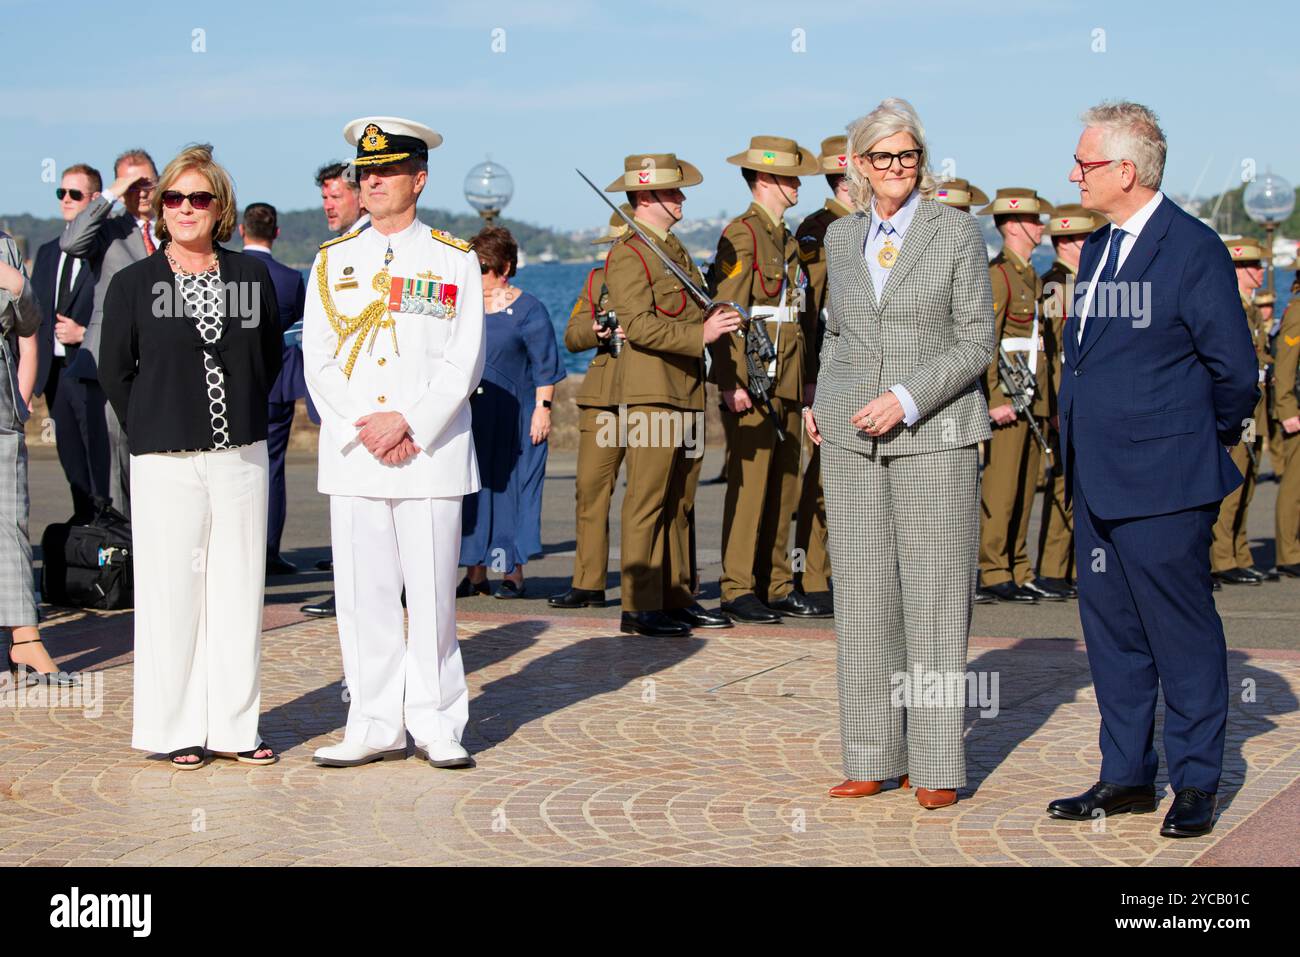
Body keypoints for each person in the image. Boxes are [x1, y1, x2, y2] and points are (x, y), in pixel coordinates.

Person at [1048, 101, 1258, 839]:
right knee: (1114, 636)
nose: (1073, 173)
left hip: (1166, 482)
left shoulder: (1191, 248)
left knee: (1182, 635)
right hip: (1098, 478)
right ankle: (1128, 775)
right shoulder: (1100, 248)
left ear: (1126, 170)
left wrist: (1194, 441)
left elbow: (1234, 370)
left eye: (1085, 162)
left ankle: (1196, 779)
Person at [806, 97, 993, 810]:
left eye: (908, 157)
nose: (896, 169)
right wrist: (821, 407)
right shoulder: (840, 238)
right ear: (859, 164)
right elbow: (837, 336)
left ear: (922, 162)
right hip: (850, 440)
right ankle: (870, 753)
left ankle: (937, 762)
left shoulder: (956, 232)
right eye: (882, 157)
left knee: (936, 597)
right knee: (860, 595)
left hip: (935, 434)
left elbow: (975, 340)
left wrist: (907, 398)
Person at [303, 116, 484, 769]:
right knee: (362, 597)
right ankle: (374, 720)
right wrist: (369, 424)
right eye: (365, 173)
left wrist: (408, 421)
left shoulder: (452, 257)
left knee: (432, 596)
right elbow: (317, 361)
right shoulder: (332, 260)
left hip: (428, 455)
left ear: (419, 178)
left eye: (385, 171)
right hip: (357, 456)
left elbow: (464, 360)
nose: (372, 181)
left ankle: (436, 719)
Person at [99, 144, 283, 769]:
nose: (184, 208)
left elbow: (269, 359)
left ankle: (235, 726)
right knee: (170, 596)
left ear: (219, 207)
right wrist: (156, 422)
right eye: (172, 197)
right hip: (165, 459)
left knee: (238, 590)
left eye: (198, 198)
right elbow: (115, 370)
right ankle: (173, 726)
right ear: (158, 207)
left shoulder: (251, 279)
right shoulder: (133, 284)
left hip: (240, 456)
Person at [602, 153, 739, 637]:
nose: (681, 199)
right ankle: (640, 605)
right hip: (653, 391)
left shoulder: (670, 249)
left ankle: (675, 595)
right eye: (672, 192)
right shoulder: (630, 253)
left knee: (679, 499)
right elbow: (637, 326)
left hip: (684, 387)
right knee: (648, 498)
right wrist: (700, 335)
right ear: (645, 197)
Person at [709, 135, 828, 624]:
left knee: (783, 484)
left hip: (786, 379)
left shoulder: (784, 238)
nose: (798, 184)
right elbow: (727, 311)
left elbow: (796, 318)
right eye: (788, 177)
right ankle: (738, 586)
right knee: (751, 485)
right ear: (764, 180)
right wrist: (730, 379)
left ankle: (776, 583)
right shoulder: (743, 235)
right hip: (753, 379)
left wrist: (805, 383)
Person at [458, 225, 566, 598]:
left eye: (484, 268)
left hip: (516, 418)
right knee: (471, 491)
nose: (479, 276)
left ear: (505, 267)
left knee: (511, 495)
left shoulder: (528, 309)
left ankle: (510, 573)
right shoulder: (463, 307)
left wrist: (543, 410)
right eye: (473, 267)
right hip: (472, 417)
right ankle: (474, 575)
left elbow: (545, 366)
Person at [975, 188, 1065, 603]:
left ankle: (1018, 565)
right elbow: (987, 342)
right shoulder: (1000, 275)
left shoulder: (1031, 275)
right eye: (1032, 221)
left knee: (1027, 487)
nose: (1039, 226)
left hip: (1032, 400)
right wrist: (994, 397)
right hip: (1008, 401)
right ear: (1012, 226)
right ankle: (993, 569)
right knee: (1002, 490)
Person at [60, 148, 161, 520]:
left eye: (147, 180)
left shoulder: (175, 227)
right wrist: (113, 193)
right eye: (132, 183)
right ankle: (123, 553)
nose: (142, 190)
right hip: (113, 364)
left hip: (161, 363)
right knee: (116, 464)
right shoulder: (109, 231)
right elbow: (71, 243)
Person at [1, 231, 79, 686]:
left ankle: (26, 641)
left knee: (9, 519)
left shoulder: (6, 248)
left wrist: (16, 284)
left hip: (2, 405)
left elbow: (29, 327)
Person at [549, 207, 630, 609]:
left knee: (651, 497)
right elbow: (572, 334)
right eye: (614, 245)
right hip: (603, 398)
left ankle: (648, 587)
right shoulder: (598, 279)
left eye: (624, 243)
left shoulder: (664, 276)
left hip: (652, 395)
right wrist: (596, 330)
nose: (617, 251)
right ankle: (588, 582)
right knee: (591, 490)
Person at [300, 162, 369, 619]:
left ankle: (360, 594)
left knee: (364, 520)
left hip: (372, 410)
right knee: (352, 520)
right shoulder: (332, 253)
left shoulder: (365, 251)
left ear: (360, 195)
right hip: (345, 408)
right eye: (324, 197)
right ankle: (352, 592)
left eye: (335, 196)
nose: (327, 205)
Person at [791, 136, 851, 611]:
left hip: (859, 366)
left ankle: (836, 572)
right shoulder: (819, 230)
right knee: (819, 481)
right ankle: (810, 576)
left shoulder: (868, 227)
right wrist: (811, 375)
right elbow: (810, 311)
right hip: (826, 366)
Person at [30, 164, 110, 522]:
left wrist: (84, 333)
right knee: (71, 457)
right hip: (55, 374)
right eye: (60, 192)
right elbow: (34, 314)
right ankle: (84, 526)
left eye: (74, 194)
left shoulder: (107, 249)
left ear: (94, 200)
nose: (65, 199)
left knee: (99, 456)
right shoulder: (48, 251)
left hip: (90, 369)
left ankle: (107, 528)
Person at [1034, 203, 1104, 598]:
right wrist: (1061, 404)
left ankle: (1064, 568)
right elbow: (1058, 354)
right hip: (1067, 400)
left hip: (1076, 399)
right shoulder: (1060, 286)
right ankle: (1053, 569)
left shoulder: (1068, 283)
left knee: (1076, 483)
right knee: (1065, 484)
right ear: (1071, 242)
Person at [238, 202, 308, 577]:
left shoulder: (226, 273)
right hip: (276, 384)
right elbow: (299, 330)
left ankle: (236, 548)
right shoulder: (289, 278)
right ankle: (268, 550)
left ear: (240, 229)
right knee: (272, 467)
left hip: (233, 385)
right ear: (276, 233)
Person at [1209, 238, 1270, 585]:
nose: (1260, 272)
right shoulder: (1232, 306)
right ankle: (1222, 558)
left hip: (1253, 405)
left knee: (1247, 482)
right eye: (1254, 266)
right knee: (1232, 481)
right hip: (1239, 407)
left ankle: (1238, 552)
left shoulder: (1249, 309)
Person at [1273, 272, 1300, 577]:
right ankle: (1289, 553)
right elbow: (1286, 364)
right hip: (1297, 410)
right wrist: (1287, 407)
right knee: (1294, 486)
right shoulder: (1297, 311)